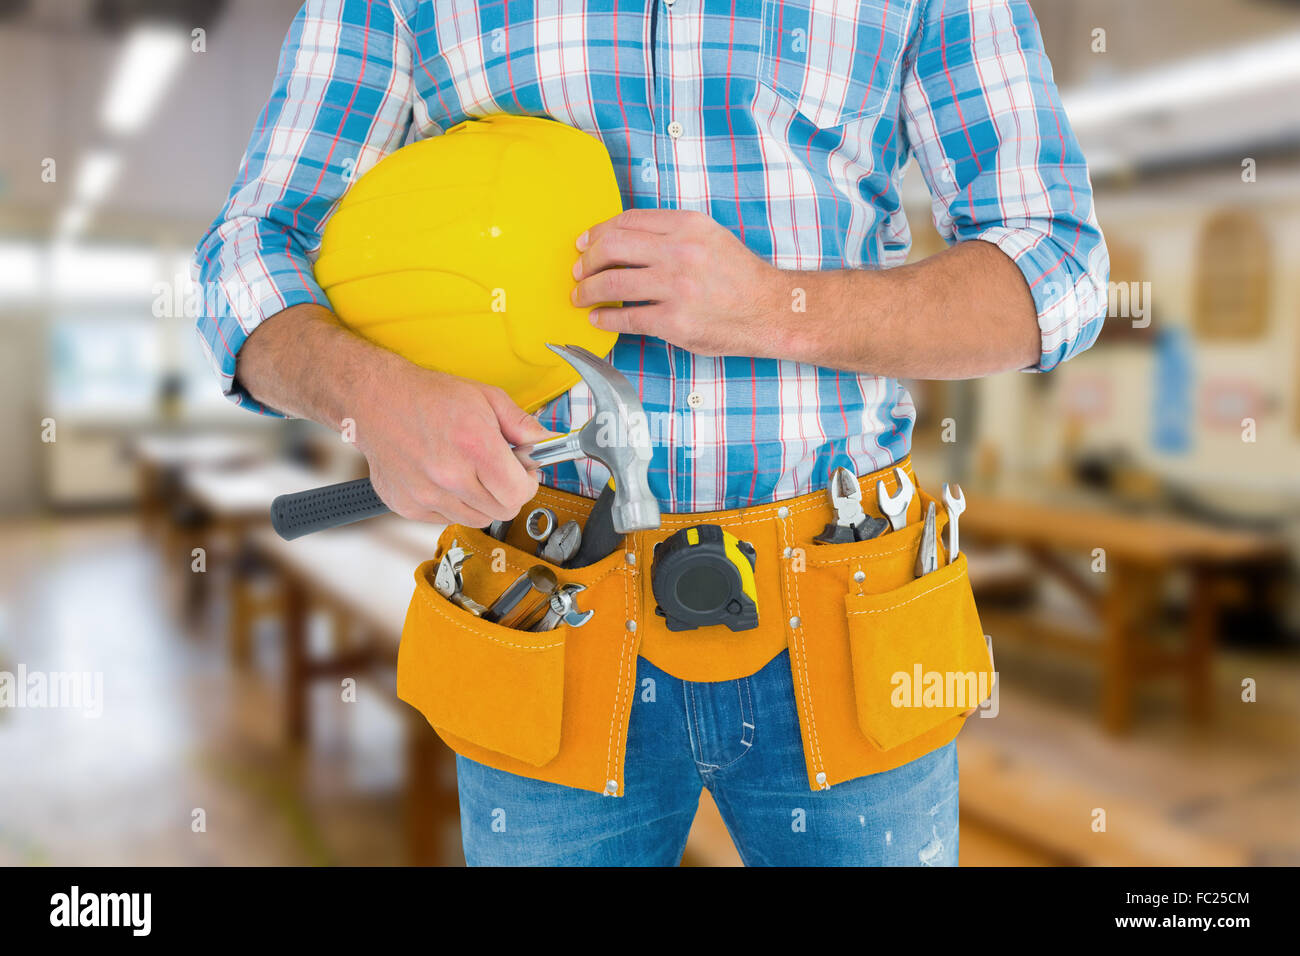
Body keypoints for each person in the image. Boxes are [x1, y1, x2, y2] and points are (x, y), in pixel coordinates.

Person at [194, 0, 1107, 866]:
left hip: (849, 597)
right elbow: (251, 245)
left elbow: (1056, 265)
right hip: (542, 600)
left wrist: (771, 309)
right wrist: (375, 397)